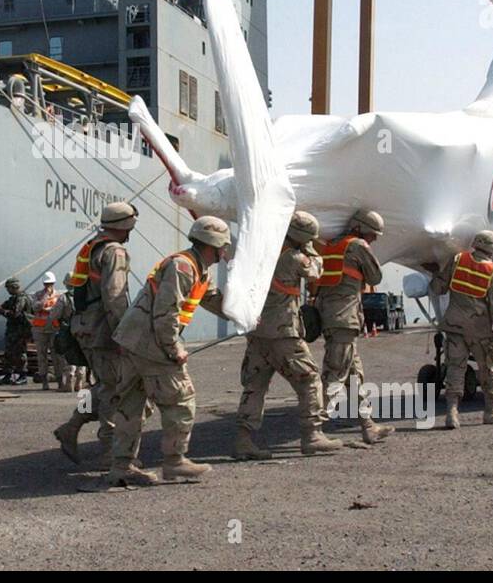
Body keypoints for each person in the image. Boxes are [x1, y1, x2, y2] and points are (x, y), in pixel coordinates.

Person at [106, 216, 233, 487]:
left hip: (132, 340)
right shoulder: (183, 267)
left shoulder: (195, 267)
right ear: (214, 244)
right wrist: (173, 348)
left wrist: (243, 314)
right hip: (151, 343)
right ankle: (175, 462)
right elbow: (166, 312)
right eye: (224, 247)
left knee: (131, 404)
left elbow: (211, 299)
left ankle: (121, 466)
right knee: (181, 399)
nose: (225, 253)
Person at [235, 211, 344, 461]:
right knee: (309, 380)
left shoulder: (262, 252)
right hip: (283, 332)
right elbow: (316, 272)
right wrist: (312, 249)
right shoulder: (294, 258)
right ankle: (313, 435)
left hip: (258, 331)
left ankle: (244, 440)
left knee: (255, 385)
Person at [53, 201, 137, 465]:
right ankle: (111, 451)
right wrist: (124, 334)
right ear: (126, 225)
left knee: (103, 384)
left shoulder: (92, 247)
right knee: (115, 389)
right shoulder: (115, 252)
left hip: (85, 327)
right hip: (102, 329)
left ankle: (72, 426)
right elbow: (114, 296)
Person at [314, 209, 394, 444]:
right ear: (359, 228)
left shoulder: (331, 244)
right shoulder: (357, 245)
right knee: (334, 375)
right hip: (343, 320)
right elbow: (375, 277)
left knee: (355, 377)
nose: (374, 239)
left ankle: (368, 426)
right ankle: (313, 429)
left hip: (335, 317)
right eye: (372, 234)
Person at [426, 230, 493, 428]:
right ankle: (491, 412)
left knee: (455, 368)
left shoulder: (458, 260)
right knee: (490, 368)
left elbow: (438, 289)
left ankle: (452, 414)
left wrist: (435, 272)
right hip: (480, 331)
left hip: (454, 327)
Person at [30, 271, 73, 390]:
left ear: (53, 283)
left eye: (50, 283)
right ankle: (44, 382)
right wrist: (45, 298)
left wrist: (50, 309)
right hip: (40, 330)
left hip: (54, 329)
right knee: (41, 355)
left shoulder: (60, 295)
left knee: (57, 357)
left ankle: (60, 381)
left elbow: (61, 310)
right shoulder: (37, 295)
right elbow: (34, 307)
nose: (48, 286)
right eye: (46, 283)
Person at [0, 278, 34, 385]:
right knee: (9, 353)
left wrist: (0, 310)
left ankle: (23, 376)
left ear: (14, 287)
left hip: (20, 331)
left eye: (8, 288)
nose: (7, 290)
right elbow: (4, 307)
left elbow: (14, 315)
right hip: (13, 331)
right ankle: (8, 374)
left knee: (20, 353)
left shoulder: (21, 299)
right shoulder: (13, 299)